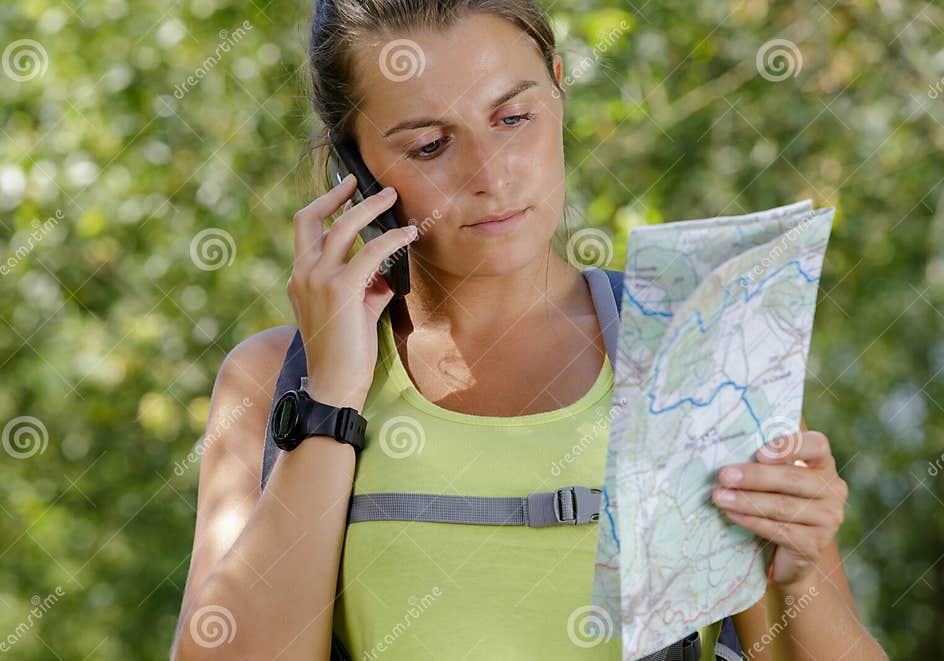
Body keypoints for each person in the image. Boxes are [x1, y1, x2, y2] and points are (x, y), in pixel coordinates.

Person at [170, 2, 887, 659]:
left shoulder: (695, 348)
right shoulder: (275, 381)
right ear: (351, 164)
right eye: (429, 145)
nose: (491, 175)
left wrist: (800, 571)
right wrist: (330, 401)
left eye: (513, 118)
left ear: (558, 87)